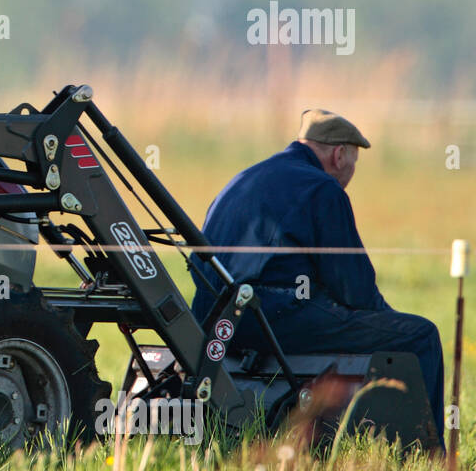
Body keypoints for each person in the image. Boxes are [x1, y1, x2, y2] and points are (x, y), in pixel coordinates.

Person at [191, 109, 445, 448]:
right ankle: (426, 455)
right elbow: (353, 289)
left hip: (213, 320)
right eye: (354, 163)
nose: (351, 173)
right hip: (274, 319)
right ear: (339, 154)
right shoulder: (323, 189)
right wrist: (387, 320)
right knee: (420, 335)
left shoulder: (240, 180)